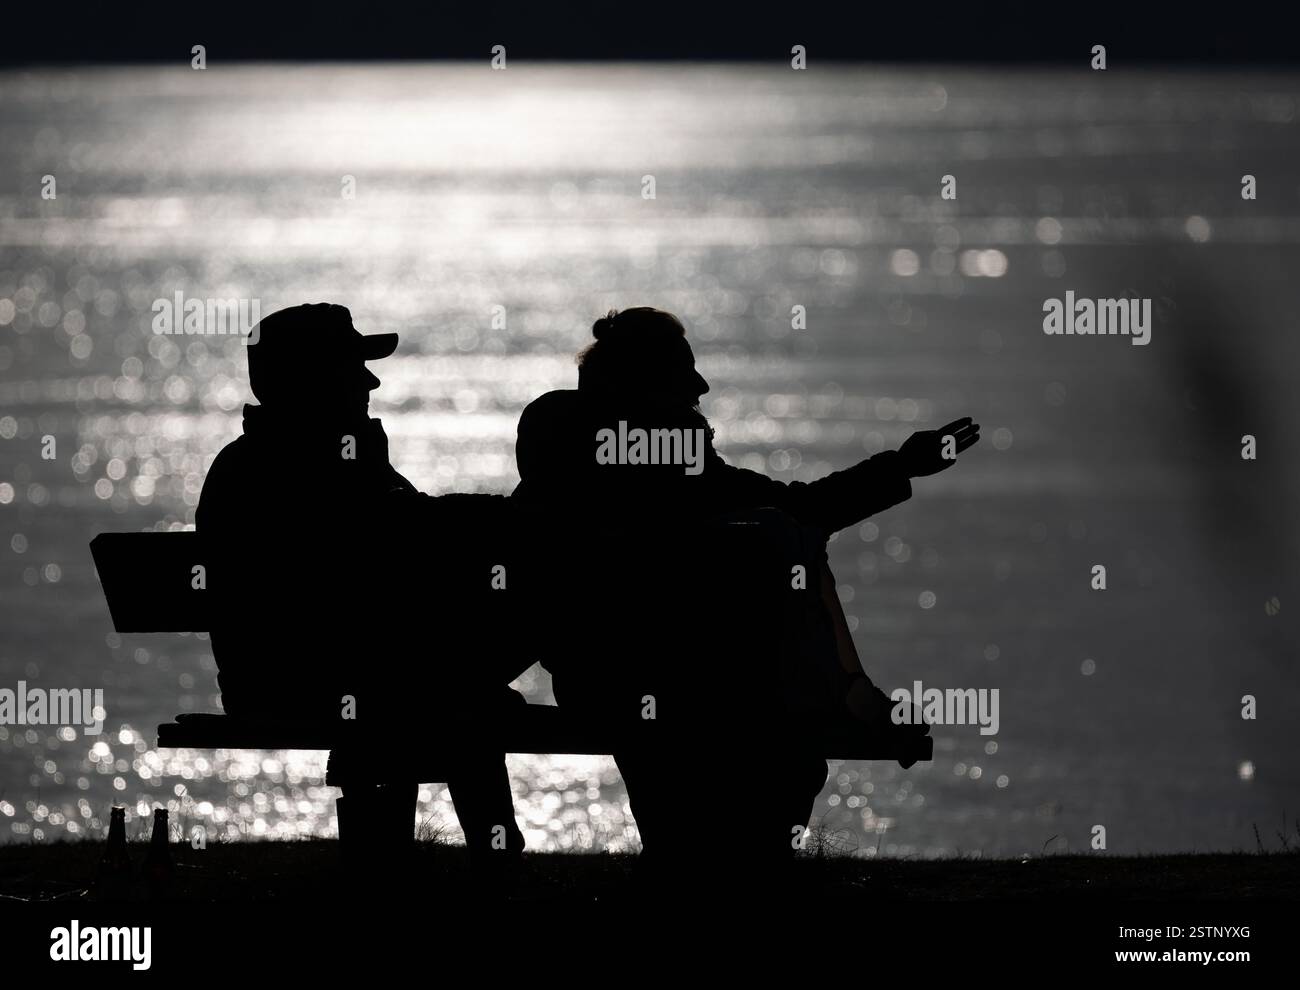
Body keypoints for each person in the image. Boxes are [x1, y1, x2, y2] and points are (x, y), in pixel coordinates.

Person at [512, 306, 979, 870]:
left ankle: (724, 862)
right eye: (684, 373)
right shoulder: (657, 463)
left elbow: (788, 508)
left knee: (784, 553)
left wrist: (898, 466)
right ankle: (846, 697)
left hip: (613, 679)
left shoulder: (569, 447)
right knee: (786, 557)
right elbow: (795, 508)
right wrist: (898, 467)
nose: (701, 387)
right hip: (661, 680)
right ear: (644, 385)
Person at [196, 303, 527, 862]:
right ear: (314, 378)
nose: (370, 380)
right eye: (354, 367)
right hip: (320, 681)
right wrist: (515, 518)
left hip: (276, 679)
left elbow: (405, 539)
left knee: (459, 684)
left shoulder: (244, 462)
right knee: (470, 687)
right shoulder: (333, 463)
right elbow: (413, 535)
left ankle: (423, 856)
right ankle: (493, 859)